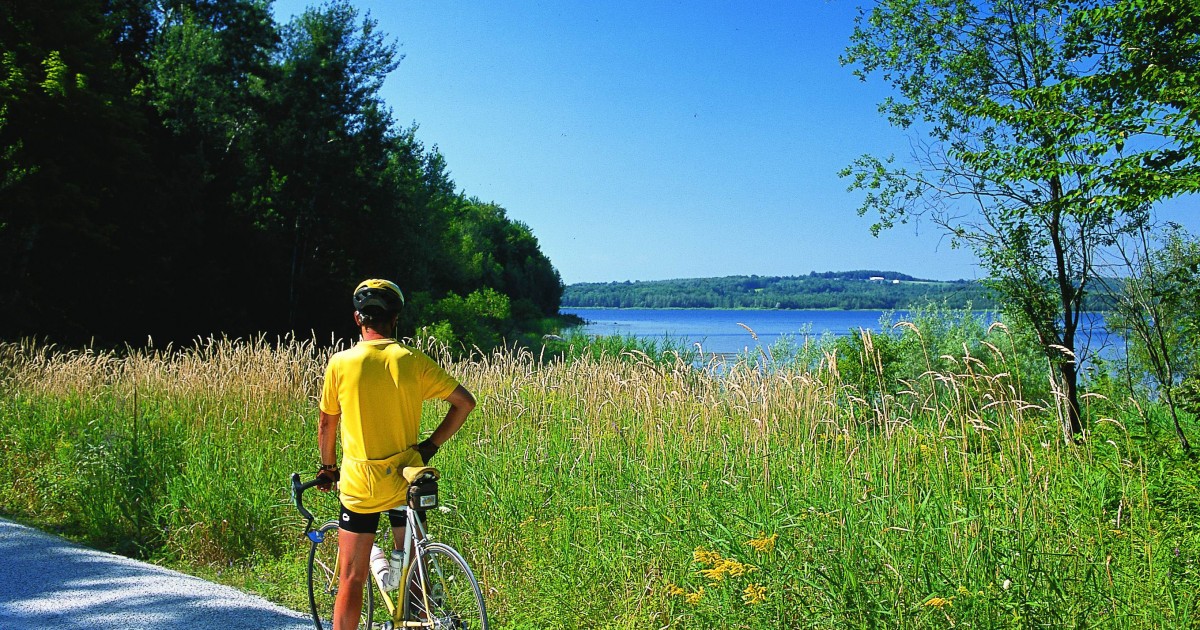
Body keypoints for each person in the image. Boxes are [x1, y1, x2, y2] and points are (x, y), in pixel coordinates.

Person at [315, 278, 476, 630]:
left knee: (352, 579)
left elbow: (327, 426)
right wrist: (430, 446)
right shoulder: (413, 361)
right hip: (406, 477)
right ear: (396, 319)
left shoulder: (341, 363)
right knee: (414, 566)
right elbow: (465, 403)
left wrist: (328, 468)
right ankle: (421, 616)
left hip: (360, 485)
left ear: (359, 319)